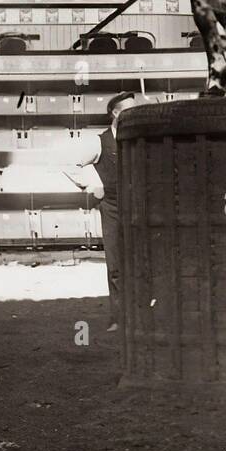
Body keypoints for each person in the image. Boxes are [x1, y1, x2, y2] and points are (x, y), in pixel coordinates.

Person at [90, 91, 137, 332]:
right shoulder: (99, 141)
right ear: (115, 113)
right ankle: (119, 318)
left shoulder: (139, 139)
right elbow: (68, 163)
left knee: (141, 263)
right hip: (112, 207)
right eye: (128, 110)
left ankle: (140, 317)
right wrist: (91, 185)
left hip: (138, 207)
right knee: (116, 265)